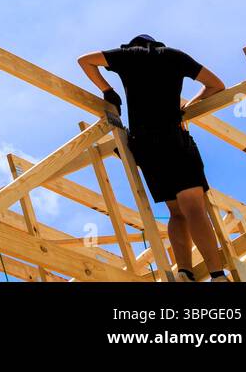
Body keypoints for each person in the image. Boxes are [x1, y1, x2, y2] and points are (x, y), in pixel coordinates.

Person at [78, 34, 229, 282]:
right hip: (172, 137)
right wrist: (187, 106)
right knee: (193, 207)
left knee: (176, 212)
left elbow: (84, 61)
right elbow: (216, 85)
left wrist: (108, 90)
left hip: (145, 146)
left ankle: (184, 272)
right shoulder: (174, 56)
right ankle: (218, 275)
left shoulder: (126, 56)